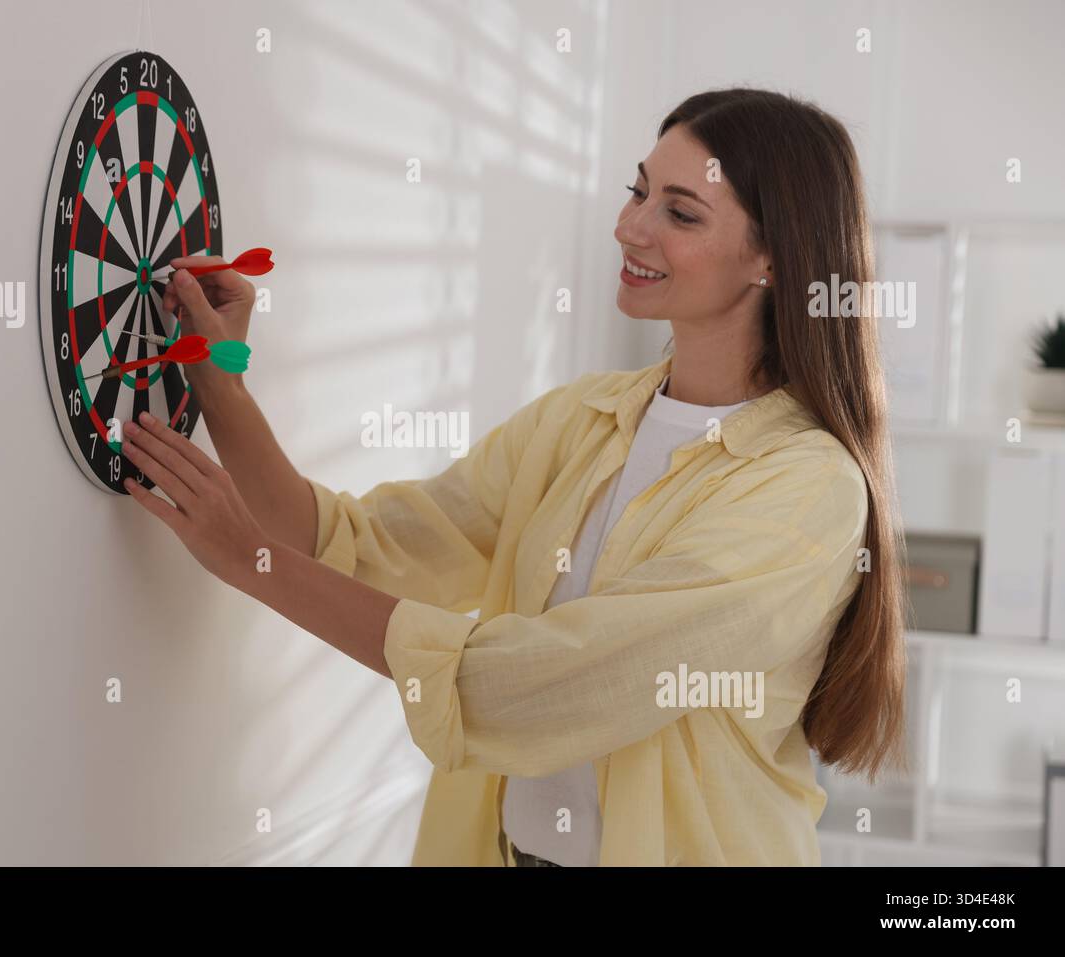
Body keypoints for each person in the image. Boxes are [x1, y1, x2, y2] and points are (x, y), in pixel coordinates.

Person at [119, 87, 908, 867]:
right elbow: (352, 544)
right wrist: (221, 380)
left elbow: (541, 684)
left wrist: (251, 564)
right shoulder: (581, 420)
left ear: (772, 256)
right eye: (638, 191)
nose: (629, 226)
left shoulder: (808, 490)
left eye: (680, 211)